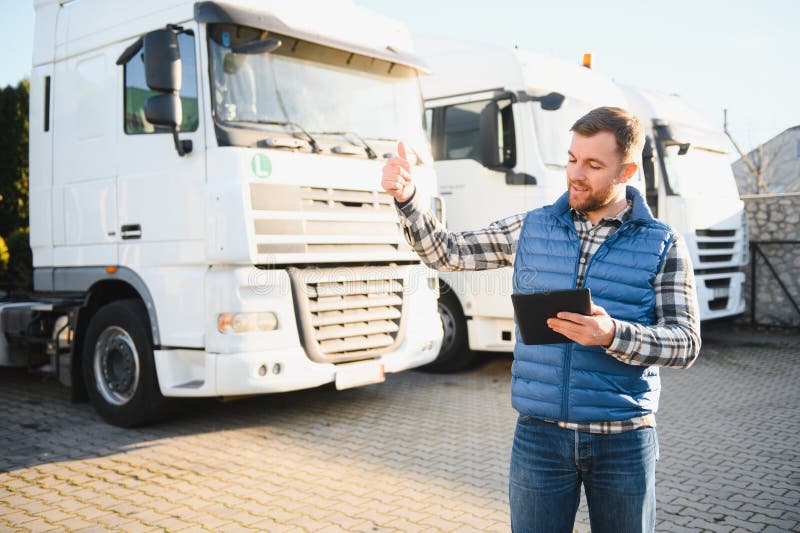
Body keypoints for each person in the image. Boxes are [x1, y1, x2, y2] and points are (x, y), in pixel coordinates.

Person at [381, 106, 701, 533]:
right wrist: (408, 200)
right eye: (571, 159)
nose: (575, 173)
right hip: (540, 437)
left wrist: (613, 335)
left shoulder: (663, 243)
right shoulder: (531, 227)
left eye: (592, 165)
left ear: (626, 172)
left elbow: (685, 343)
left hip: (624, 439)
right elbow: (448, 252)